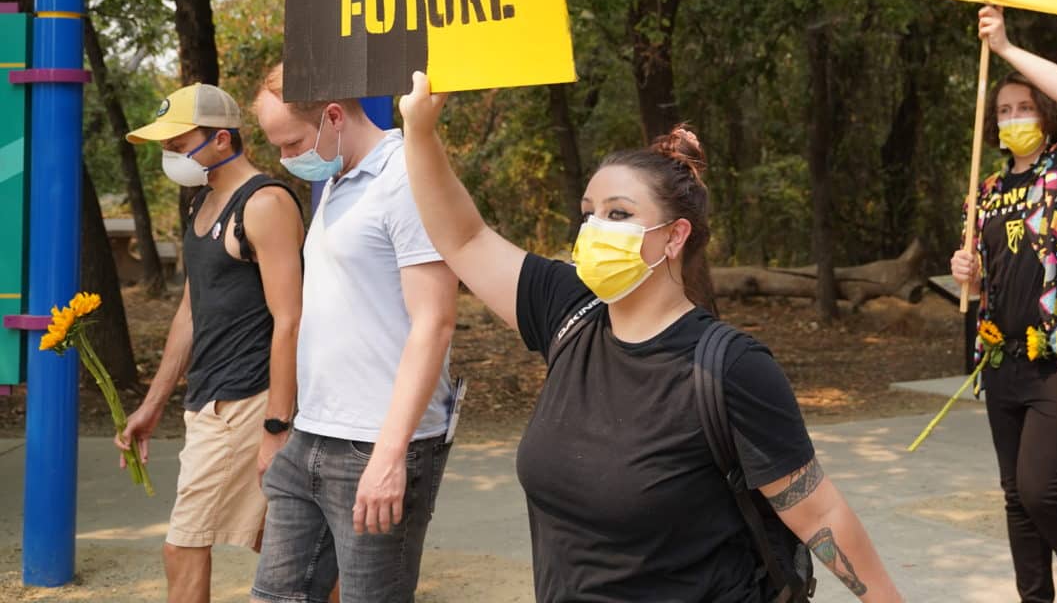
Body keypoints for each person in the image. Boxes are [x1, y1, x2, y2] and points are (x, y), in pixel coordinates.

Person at [397, 70, 903, 602]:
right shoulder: (568, 313)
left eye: (619, 214)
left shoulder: (730, 368)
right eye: (588, 215)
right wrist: (420, 132)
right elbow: (463, 237)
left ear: (674, 236)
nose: (593, 230)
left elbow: (818, 511)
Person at [250, 65, 460, 603]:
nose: (285, 159)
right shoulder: (339, 179)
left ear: (334, 117)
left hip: (379, 446)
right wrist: (286, 428)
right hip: (311, 436)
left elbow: (434, 323)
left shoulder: (407, 175)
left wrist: (389, 457)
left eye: (292, 142)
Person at [950, 5, 1057, 603]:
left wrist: (1006, 48)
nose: (1013, 118)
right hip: (1004, 363)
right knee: (1016, 497)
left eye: (1023, 108)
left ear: (1042, 115)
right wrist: (963, 268)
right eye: (1003, 111)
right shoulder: (985, 191)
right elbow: (983, 271)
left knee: (1043, 488)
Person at [117, 83, 305, 603]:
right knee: (283, 543)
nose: (170, 158)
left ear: (222, 139)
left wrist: (276, 425)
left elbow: (290, 319)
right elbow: (190, 312)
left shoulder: (264, 203)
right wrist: (153, 406)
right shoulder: (202, 201)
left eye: (179, 145)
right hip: (209, 402)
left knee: (184, 545)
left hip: (245, 403)